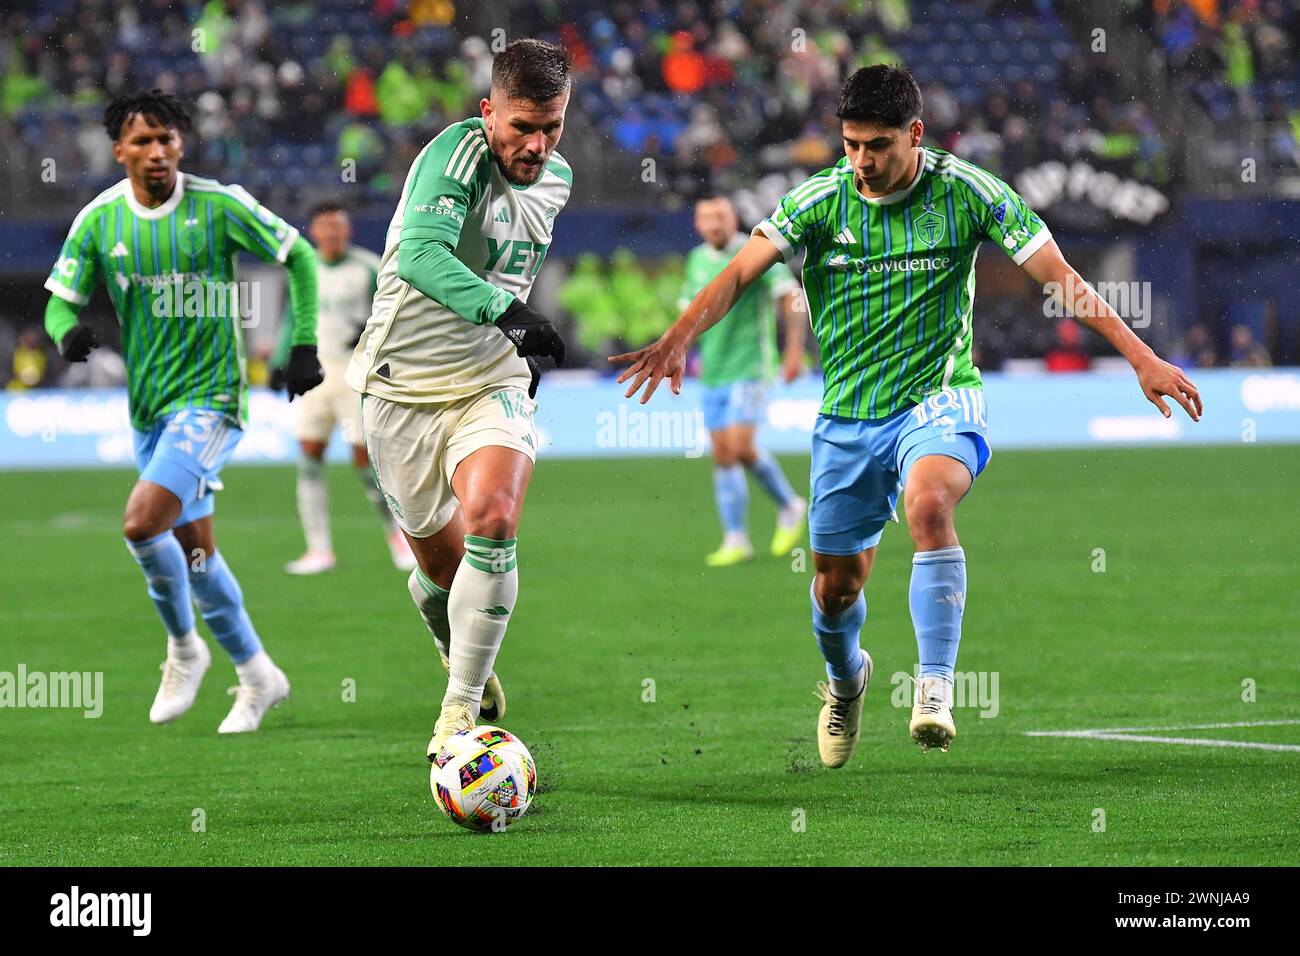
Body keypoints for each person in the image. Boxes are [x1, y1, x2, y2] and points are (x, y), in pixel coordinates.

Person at [612, 66, 1201, 767]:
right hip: (849, 417)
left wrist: (1141, 357)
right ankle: (845, 680)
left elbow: (1060, 278)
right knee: (837, 589)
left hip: (939, 396)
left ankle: (933, 687)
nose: (861, 161)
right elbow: (740, 273)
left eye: (878, 145)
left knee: (929, 505)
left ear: (915, 134)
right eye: (850, 144)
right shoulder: (822, 200)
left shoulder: (969, 192)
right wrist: (678, 337)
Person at [43, 89, 323, 733]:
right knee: (197, 558)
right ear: (119, 151)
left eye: (167, 138)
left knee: (142, 524)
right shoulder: (98, 222)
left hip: (212, 401)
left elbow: (298, 254)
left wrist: (302, 340)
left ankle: (183, 649)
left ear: (181, 144)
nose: (157, 151)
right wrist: (65, 332)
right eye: (142, 141)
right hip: (150, 411)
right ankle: (258, 675)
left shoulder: (217, 205)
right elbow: (61, 299)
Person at [345, 39, 571, 761]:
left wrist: (516, 342)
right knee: (441, 572)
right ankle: (450, 632)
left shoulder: (557, 181)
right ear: (488, 112)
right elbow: (420, 255)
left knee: (494, 520)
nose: (535, 146)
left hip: (488, 382)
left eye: (551, 127)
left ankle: (459, 713)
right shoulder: (455, 157)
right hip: (399, 390)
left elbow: (511, 264)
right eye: (521, 128)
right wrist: (509, 313)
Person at [274, 201, 415, 575]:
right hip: (315, 377)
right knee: (309, 455)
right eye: (325, 227)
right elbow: (293, 316)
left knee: (365, 461)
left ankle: (398, 537)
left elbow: (396, 312)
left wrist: (372, 331)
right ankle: (318, 549)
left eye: (338, 227)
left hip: (356, 376)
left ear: (347, 230)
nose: (332, 234)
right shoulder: (304, 269)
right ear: (314, 232)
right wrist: (279, 361)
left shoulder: (369, 267)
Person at [680, 194, 807, 566]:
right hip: (714, 369)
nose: (714, 223)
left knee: (738, 446)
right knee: (722, 454)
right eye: (706, 217)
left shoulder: (755, 251)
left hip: (751, 366)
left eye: (720, 216)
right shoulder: (697, 260)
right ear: (697, 224)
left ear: (733, 218)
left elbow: (791, 296)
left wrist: (794, 351)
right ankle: (736, 538)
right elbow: (692, 311)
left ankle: (790, 504)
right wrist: (687, 355)